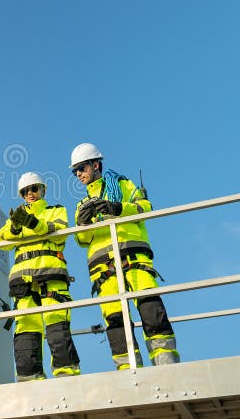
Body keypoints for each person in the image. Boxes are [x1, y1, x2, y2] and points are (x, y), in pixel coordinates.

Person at [69, 143, 180, 370]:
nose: (78, 174)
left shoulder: (123, 185)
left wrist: (116, 208)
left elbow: (145, 208)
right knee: (116, 323)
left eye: (81, 168)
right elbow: (81, 240)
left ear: (95, 165)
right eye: (75, 171)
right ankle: (128, 372)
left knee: (152, 312)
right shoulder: (81, 205)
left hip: (136, 261)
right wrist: (83, 224)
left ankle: (167, 367)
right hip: (104, 270)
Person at [0, 172, 80, 381]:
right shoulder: (15, 218)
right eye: (25, 191)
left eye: (33, 189)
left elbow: (59, 233)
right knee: (26, 326)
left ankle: (66, 372)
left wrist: (33, 225)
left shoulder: (55, 210)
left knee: (56, 321)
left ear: (42, 190)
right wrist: (16, 227)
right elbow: (1, 241)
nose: (30, 194)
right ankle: (29, 376)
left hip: (51, 274)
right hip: (22, 281)